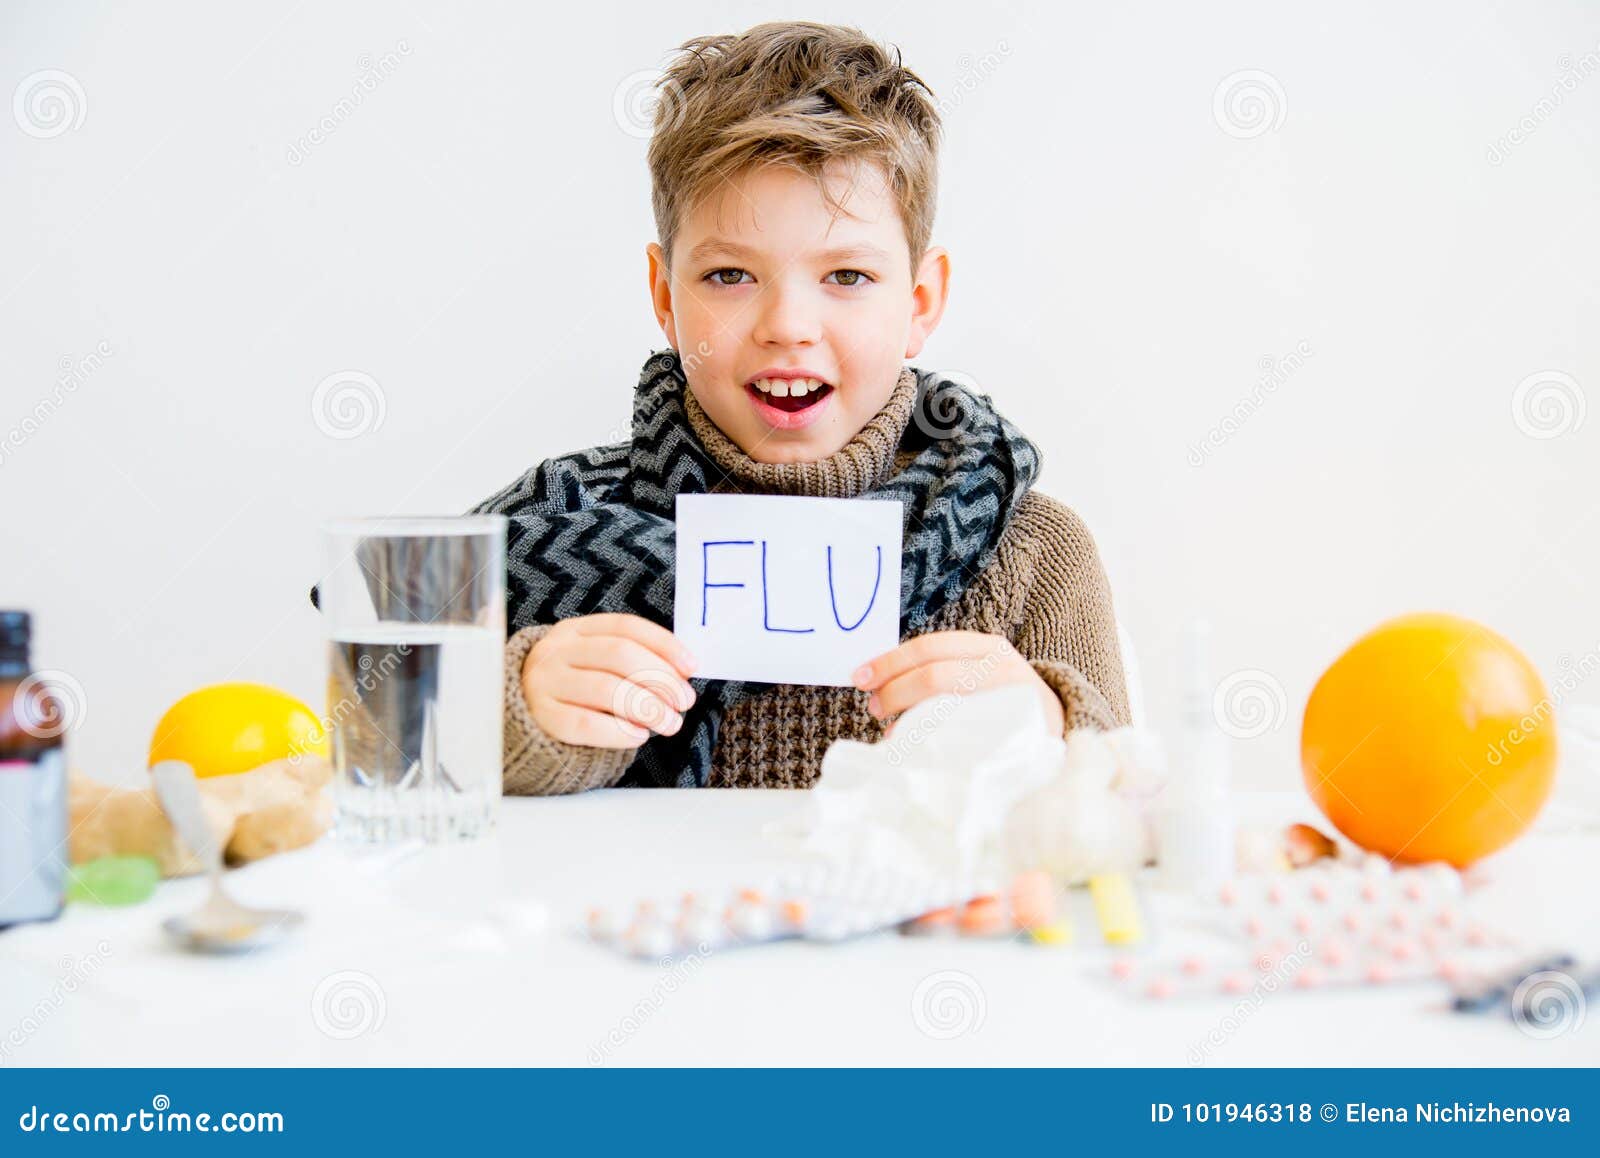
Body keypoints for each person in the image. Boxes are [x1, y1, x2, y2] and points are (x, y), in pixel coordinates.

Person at [472, 21, 1129, 794]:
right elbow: (380, 748)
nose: (787, 325)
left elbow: (1124, 808)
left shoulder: (1033, 550)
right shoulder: (544, 526)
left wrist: (1046, 727)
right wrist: (512, 708)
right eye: (728, 276)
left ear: (919, 301)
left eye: (847, 276)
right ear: (663, 296)